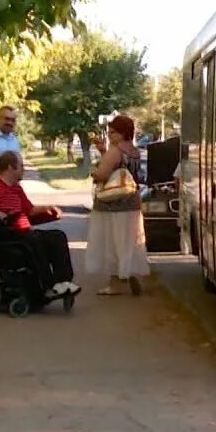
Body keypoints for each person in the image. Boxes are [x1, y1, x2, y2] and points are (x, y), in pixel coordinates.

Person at [0, 151, 80, 299]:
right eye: (21, 166)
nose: (24, 169)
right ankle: (47, 286)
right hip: (1, 235)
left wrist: (46, 208)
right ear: (10, 168)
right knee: (33, 240)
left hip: (21, 233)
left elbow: (29, 210)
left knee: (57, 236)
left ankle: (63, 283)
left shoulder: (16, 187)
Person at [85, 114, 150, 296]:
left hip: (112, 204)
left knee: (111, 243)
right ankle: (130, 271)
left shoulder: (115, 151)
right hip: (132, 202)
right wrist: (103, 152)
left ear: (122, 133)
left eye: (113, 132)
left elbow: (104, 174)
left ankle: (116, 282)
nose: (110, 136)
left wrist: (94, 173)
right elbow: (124, 172)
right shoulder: (135, 152)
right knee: (130, 241)